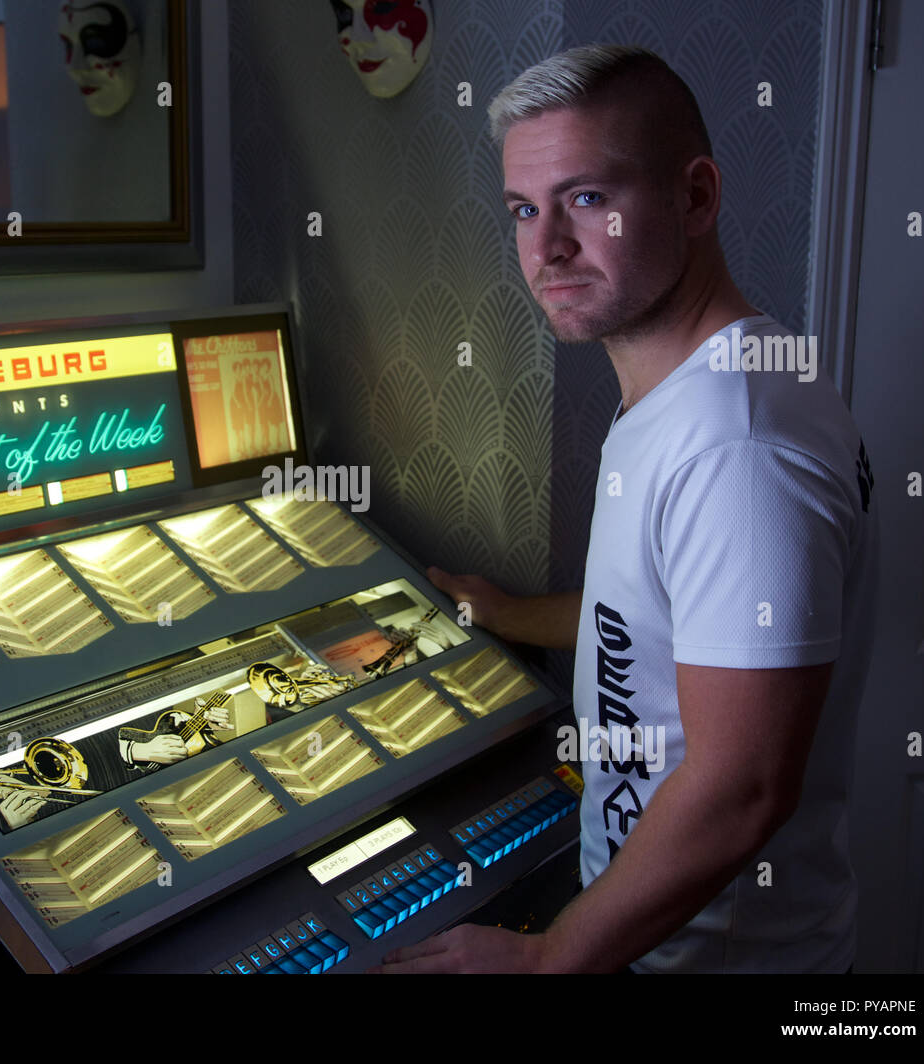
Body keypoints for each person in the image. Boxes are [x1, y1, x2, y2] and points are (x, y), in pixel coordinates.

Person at [376, 44, 879, 973]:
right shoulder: (691, 388)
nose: (545, 247)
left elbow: (744, 787)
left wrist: (544, 962)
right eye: (525, 209)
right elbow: (671, 618)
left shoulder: (739, 445)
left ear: (695, 198)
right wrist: (507, 612)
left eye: (588, 198)